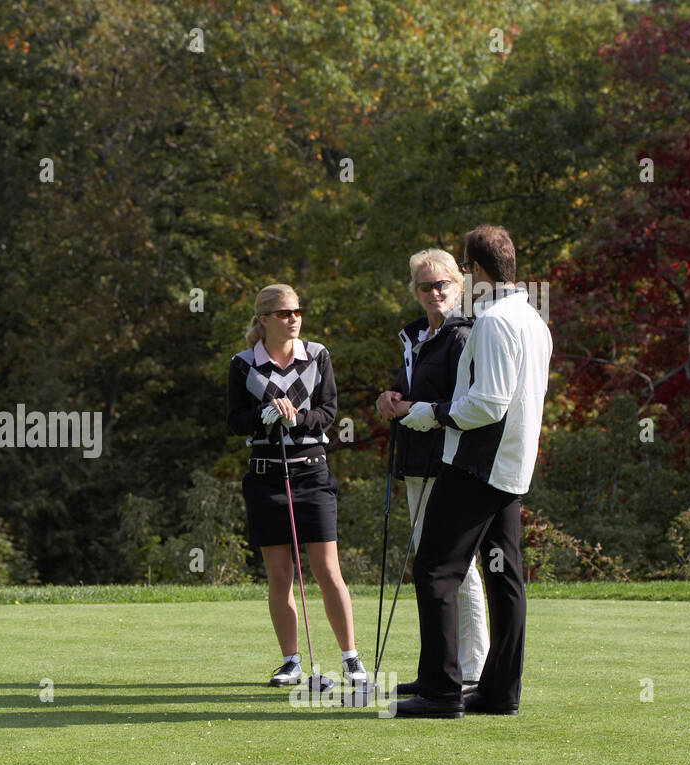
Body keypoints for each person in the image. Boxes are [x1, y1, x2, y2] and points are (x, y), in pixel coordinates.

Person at [393, 225, 552, 717]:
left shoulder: (494, 322)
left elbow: (489, 403)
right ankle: (500, 692)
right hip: (510, 466)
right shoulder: (532, 318)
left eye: (464, 267)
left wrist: (432, 413)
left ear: (477, 270)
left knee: (435, 569)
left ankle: (441, 692)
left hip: (477, 464)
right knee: (504, 576)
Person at [227, 284, 367, 687]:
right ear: (265, 319)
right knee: (280, 574)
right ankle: (291, 661)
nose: (293, 319)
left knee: (327, 570)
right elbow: (234, 420)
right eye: (285, 313)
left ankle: (350, 658)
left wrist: (296, 420)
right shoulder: (242, 365)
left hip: (312, 472)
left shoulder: (318, 355)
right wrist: (265, 415)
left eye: (297, 312)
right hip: (266, 475)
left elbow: (328, 412)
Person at [375, 249, 491, 694]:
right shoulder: (414, 337)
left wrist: (410, 407)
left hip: (451, 464)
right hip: (417, 464)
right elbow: (406, 392)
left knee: (456, 568)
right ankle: (441, 670)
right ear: (415, 292)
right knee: (433, 566)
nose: (435, 291)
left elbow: (464, 402)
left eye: (443, 283)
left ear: (460, 286)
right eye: (426, 286)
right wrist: (388, 399)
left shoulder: (464, 336)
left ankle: (471, 668)